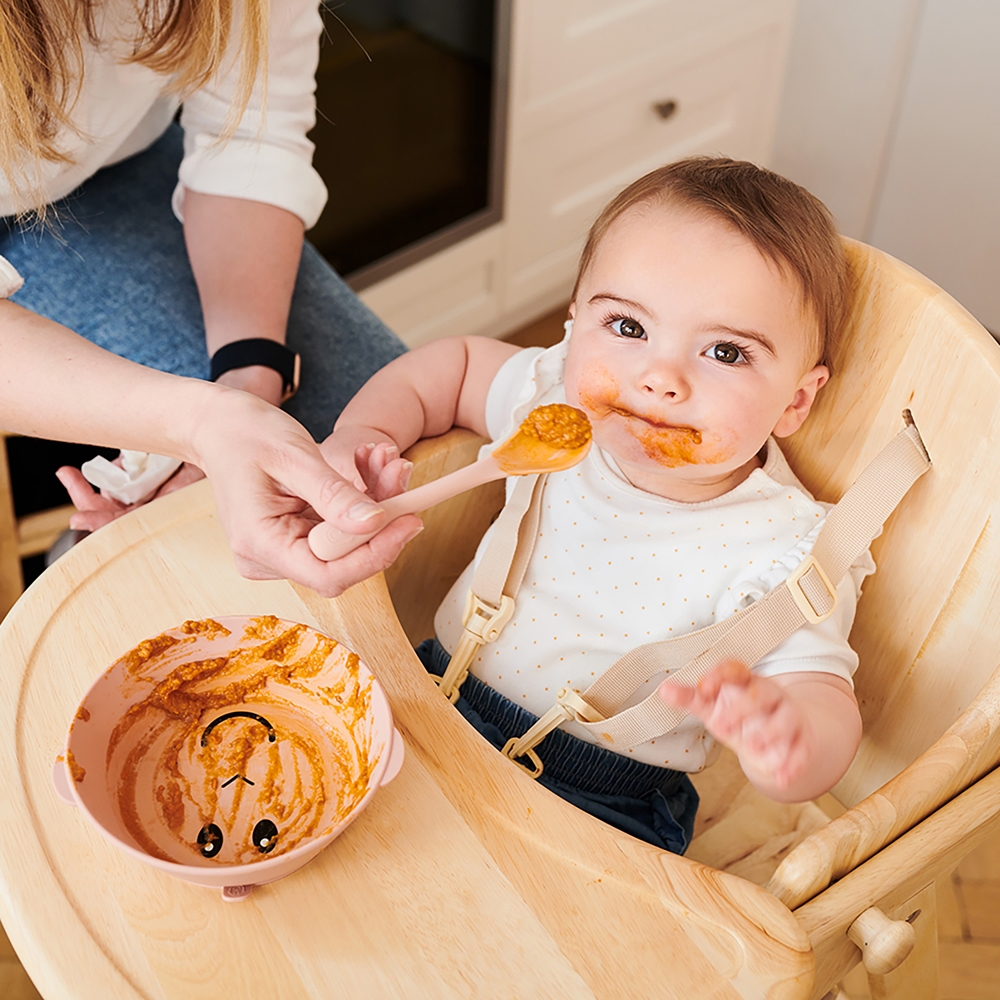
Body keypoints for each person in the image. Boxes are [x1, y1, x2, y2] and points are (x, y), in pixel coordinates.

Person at [312, 157, 869, 854]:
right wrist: (364, 434)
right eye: (628, 328)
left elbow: (823, 697)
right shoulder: (553, 409)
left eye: (725, 352)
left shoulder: (784, 550)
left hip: (603, 804)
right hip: (430, 695)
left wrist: (788, 736)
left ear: (795, 400)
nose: (659, 378)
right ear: (575, 326)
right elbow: (449, 369)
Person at [0, 0, 409, 550]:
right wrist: (193, 421)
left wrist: (248, 379)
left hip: (107, 166)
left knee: (367, 451)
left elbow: (248, 135)